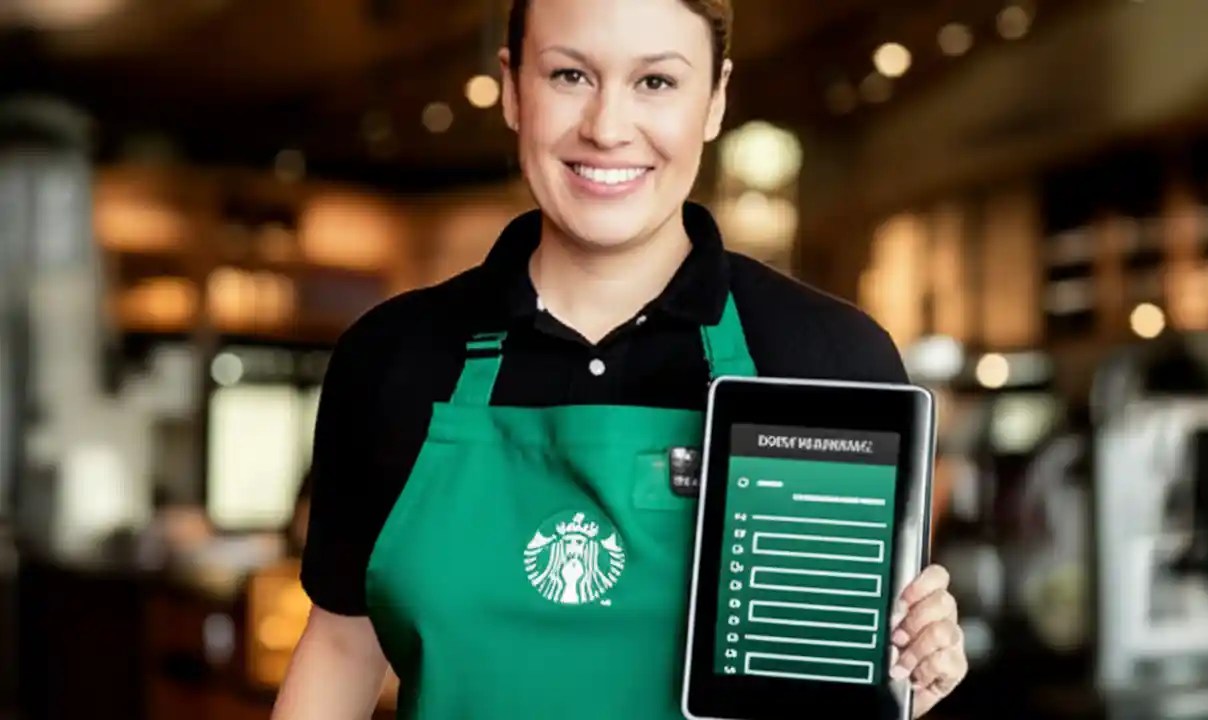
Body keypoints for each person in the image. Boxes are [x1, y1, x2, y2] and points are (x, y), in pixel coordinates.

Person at [272, 0, 968, 717]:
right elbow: (340, 649)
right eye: (570, 74)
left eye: (656, 82)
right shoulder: (393, 359)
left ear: (715, 99)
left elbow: (835, 681)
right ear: (513, 89)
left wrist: (905, 676)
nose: (606, 128)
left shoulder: (824, 359)